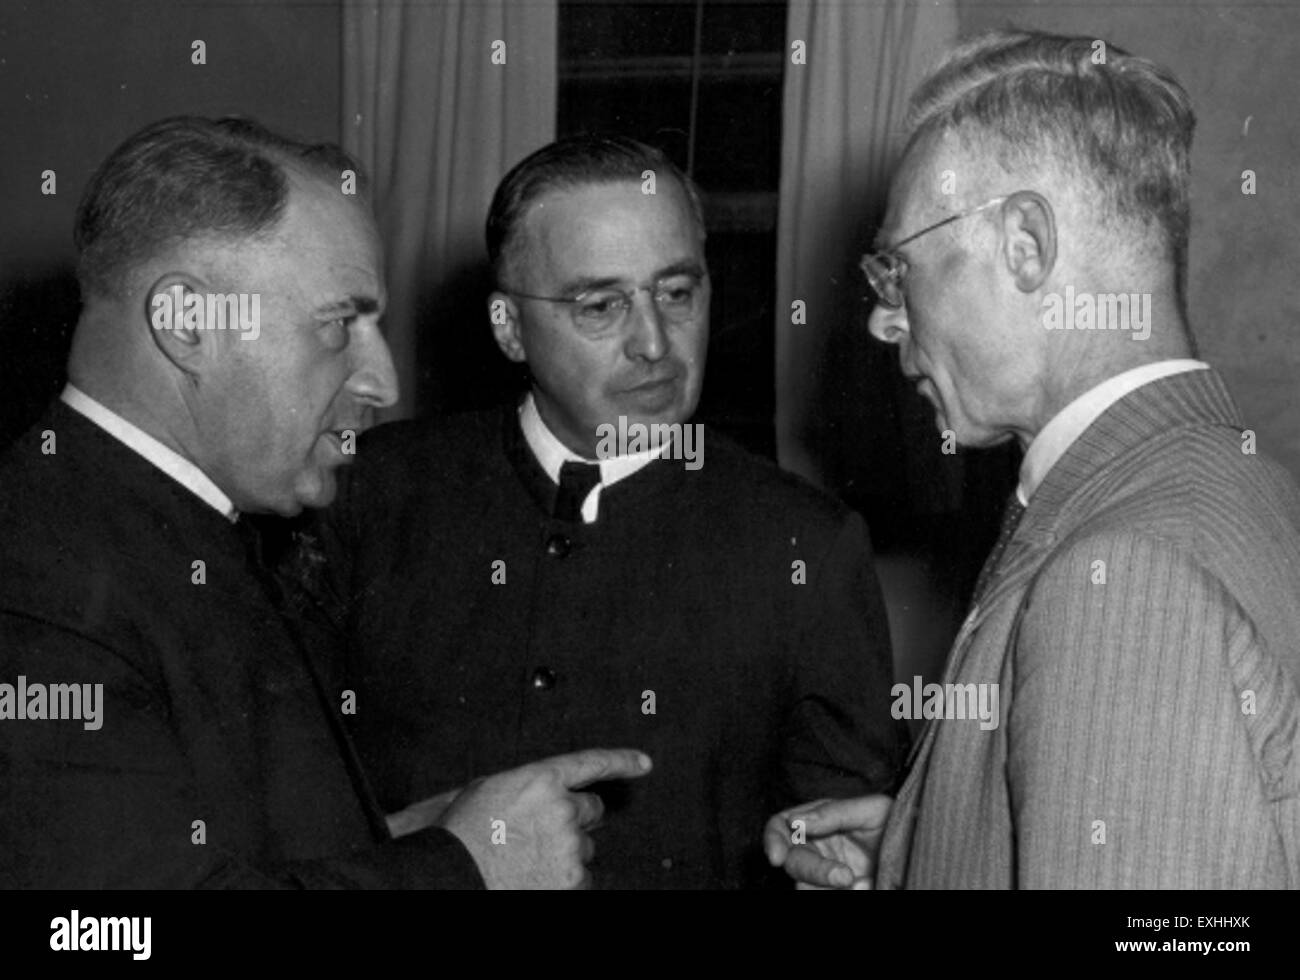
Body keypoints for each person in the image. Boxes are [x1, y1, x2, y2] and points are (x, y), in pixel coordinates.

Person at [0, 116, 649, 889]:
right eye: (341, 324)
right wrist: (462, 869)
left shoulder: (170, 524)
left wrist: (399, 841)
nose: (383, 383)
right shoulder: (38, 576)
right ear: (185, 323)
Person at [767, 28, 1300, 890]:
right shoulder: (1246, 485)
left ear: (1025, 243)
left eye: (900, 270)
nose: (882, 320)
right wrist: (930, 844)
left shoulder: (1124, 574)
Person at [313, 134, 905, 889]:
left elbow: (845, 839)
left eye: (677, 293)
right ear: (508, 327)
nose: (655, 343)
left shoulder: (805, 543)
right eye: (601, 306)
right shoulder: (364, 495)